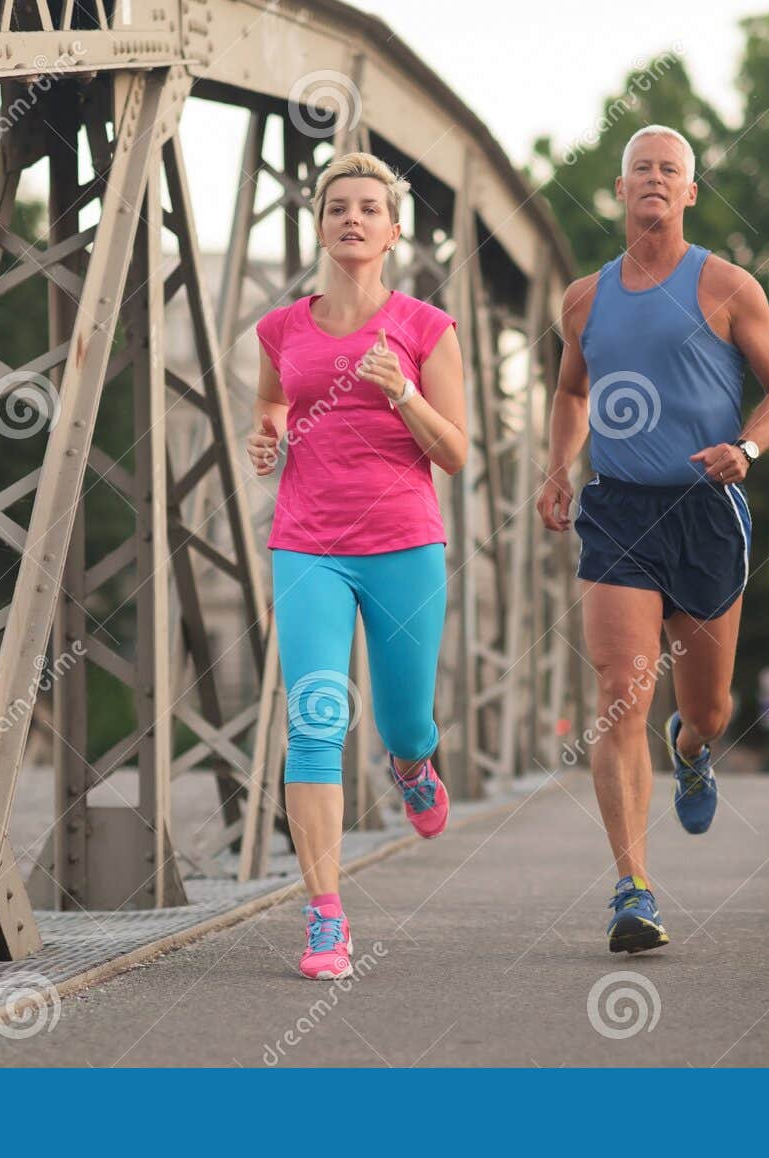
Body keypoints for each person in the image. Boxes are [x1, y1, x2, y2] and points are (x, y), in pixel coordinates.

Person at [537, 125, 769, 954]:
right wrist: (557, 469)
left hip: (706, 509)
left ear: (689, 194)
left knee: (707, 709)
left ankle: (692, 751)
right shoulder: (584, 299)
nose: (654, 180)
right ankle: (633, 889)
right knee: (621, 691)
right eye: (641, 169)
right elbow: (571, 392)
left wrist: (748, 448)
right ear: (619, 191)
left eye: (671, 171)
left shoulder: (726, 286)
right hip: (617, 509)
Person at [247, 152, 468, 979]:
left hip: (405, 545)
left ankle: (411, 762)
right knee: (313, 721)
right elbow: (273, 403)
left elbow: (456, 453)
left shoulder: (422, 327)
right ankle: (325, 918)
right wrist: (268, 437)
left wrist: (402, 394)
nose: (353, 218)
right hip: (307, 544)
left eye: (370, 209)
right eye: (338, 206)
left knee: (403, 720)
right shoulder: (281, 329)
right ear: (319, 221)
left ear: (393, 229)